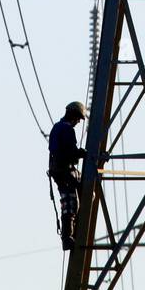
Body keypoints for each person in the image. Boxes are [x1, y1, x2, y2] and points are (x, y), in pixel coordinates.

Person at [48, 100, 87, 250]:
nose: (78, 122)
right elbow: (70, 153)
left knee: (69, 200)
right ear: (73, 116)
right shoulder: (67, 129)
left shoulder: (57, 127)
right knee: (71, 203)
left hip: (58, 170)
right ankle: (68, 237)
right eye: (78, 119)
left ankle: (70, 234)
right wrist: (81, 153)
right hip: (64, 171)